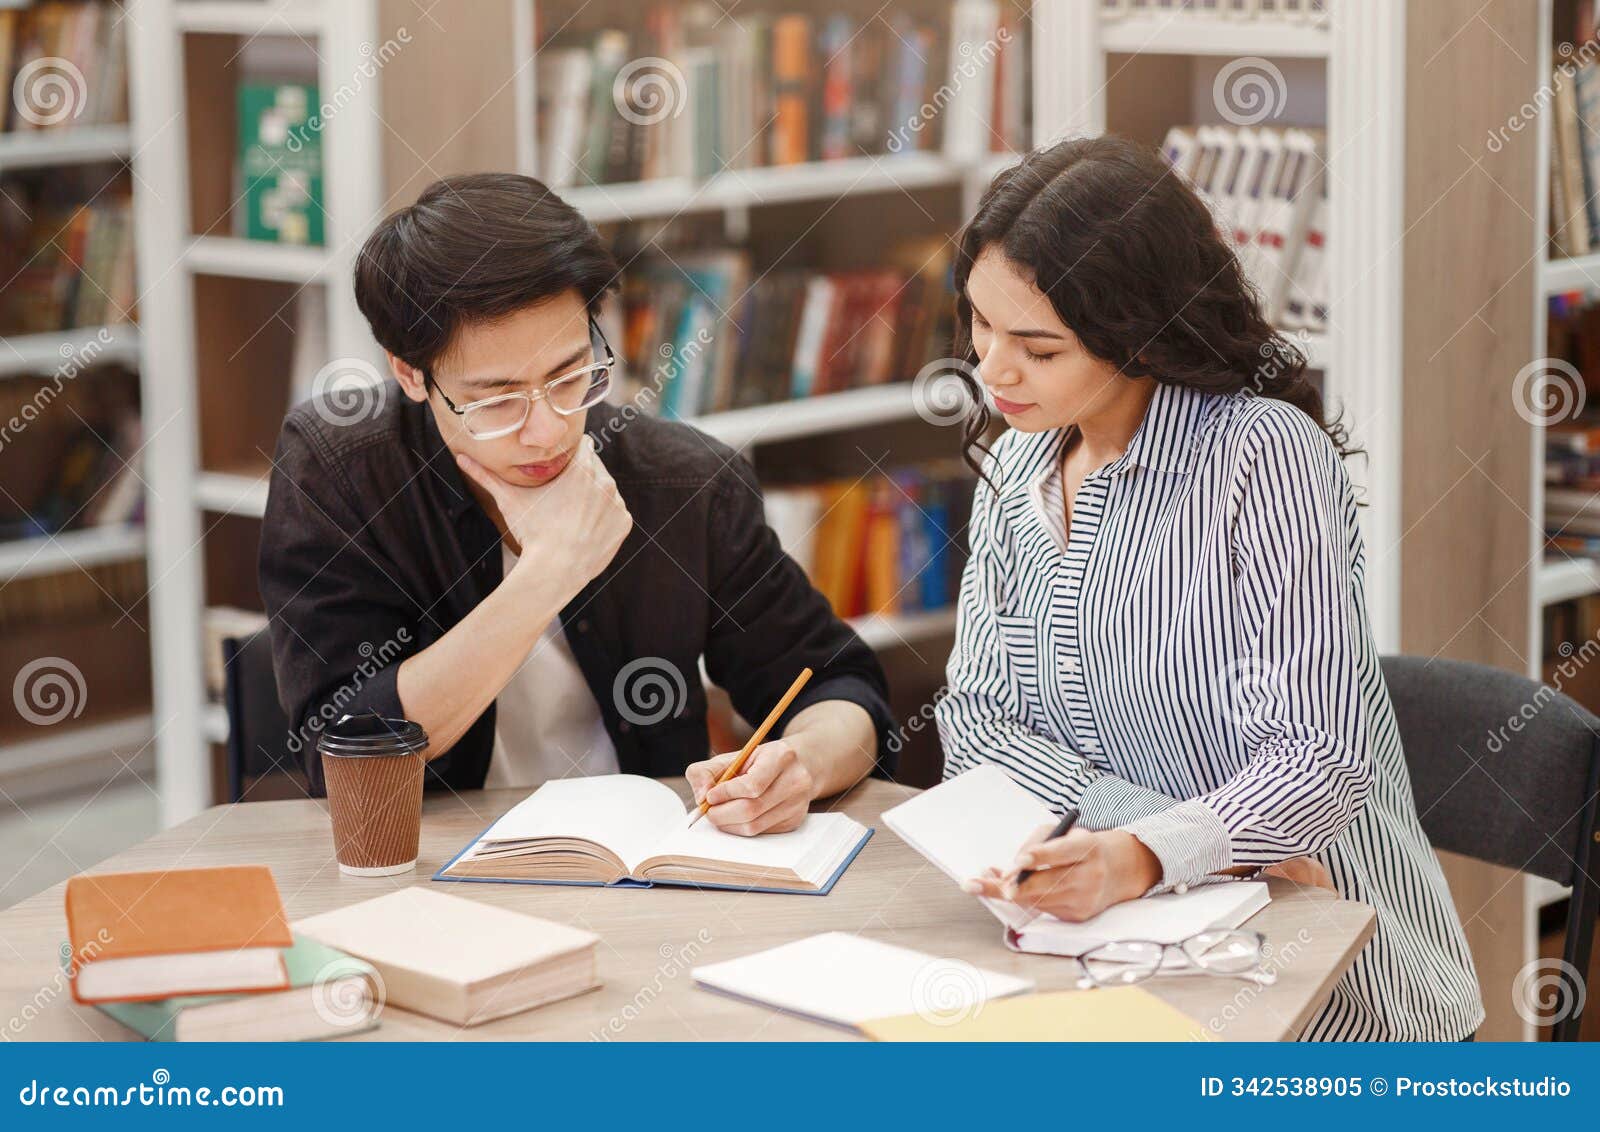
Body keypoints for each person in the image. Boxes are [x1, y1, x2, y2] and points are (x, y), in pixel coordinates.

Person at [936, 136, 1483, 1040]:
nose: (991, 369)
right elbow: (977, 734)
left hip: (1340, 996)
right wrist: (1156, 845)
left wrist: (1137, 851)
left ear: (1137, 332)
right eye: (979, 325)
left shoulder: (1262, 459)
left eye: (1036, 346)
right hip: (1121, 961)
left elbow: (1318, 760)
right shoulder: (1017, 470)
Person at [259, 173, 892, 834]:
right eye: (497, 399)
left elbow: (842, 690)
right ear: (410, 373)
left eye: (569, 375)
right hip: (425, 874)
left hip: (644, 870)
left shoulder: (682, 482)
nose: (548, 427)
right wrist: (548, 574)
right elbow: (343, 752)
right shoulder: (342, 471)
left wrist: (804, 764)